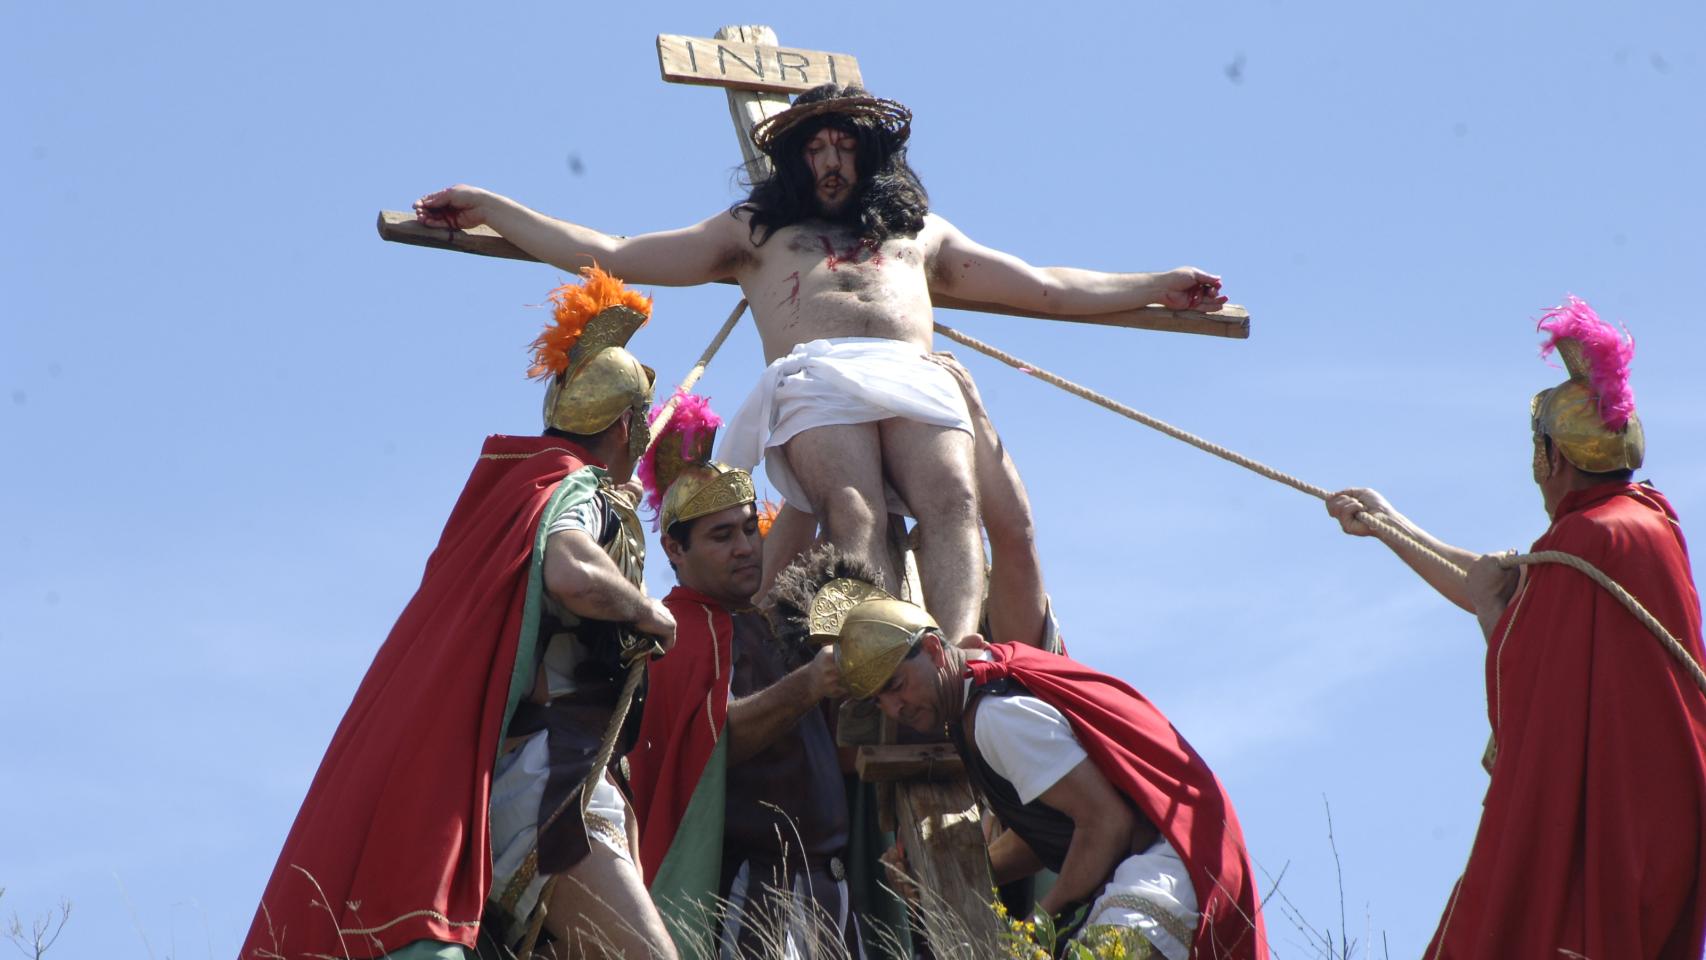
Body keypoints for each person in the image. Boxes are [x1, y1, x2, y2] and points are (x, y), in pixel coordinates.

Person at [413, 81, 1225, 652]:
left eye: (846, 147)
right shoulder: (755, 233)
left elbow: (1046, 289)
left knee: (953, 501)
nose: (832, 162)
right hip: (817, 376)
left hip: (915, 373)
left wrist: (1158, 285)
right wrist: (492, 207)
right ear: (794, 161)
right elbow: (616, 252)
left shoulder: (921, 236)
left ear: (870, 157)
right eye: (817, 149)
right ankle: (885, 647)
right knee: (853, 510)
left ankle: (960, 651)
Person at [241, 270, 680, 960]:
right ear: (628, 428)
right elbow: (569, 568)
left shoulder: (516, 483)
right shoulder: (577, 483)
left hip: (528, 780)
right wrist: (645, 609)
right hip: (550, 776)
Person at [1325, 297, 1706, 959]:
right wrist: (1389, 525)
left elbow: (1522, 659)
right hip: (1666, 818)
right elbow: (1502, 582)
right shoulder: (1643, 519)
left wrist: (1494, 617)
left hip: (1605, 829)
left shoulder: (1589, 536)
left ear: (1551, 458)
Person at [797, 586, 1266, 960]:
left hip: (1168, 869)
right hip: (1178, 861)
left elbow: (1106, 824)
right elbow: (1056, 828)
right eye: (881, 700)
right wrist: (950, 870)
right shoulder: (981, 693)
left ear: (937, 653)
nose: (895, 708)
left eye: (897, 686)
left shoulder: (995, 717)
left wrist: (1038, 924)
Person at [626, 445, 863, 958]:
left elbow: (837, 754)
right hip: (751, 895)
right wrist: (809, 685)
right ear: (674, 549)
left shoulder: (766, 627)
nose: (744, 546)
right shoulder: (676, 636)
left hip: (832, 891)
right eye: (721, 535)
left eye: (747, 527)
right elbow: (709, 748)